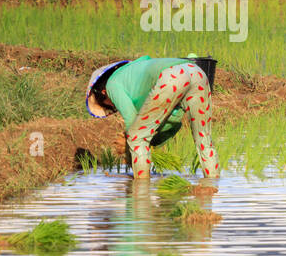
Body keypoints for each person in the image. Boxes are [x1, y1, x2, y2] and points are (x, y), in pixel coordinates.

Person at [86, 56, 220, 180]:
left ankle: (141, 189)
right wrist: (153, 140)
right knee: (204, 139)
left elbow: (131, 120)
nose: (113, 106)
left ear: (103, 93)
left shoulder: (111, 85)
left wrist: (129, 151)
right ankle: (213, 186)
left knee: (136, 137)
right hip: (198, 73)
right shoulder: (133, 72)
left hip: (172, 77)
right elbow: (170, 121)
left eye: (109, 104)